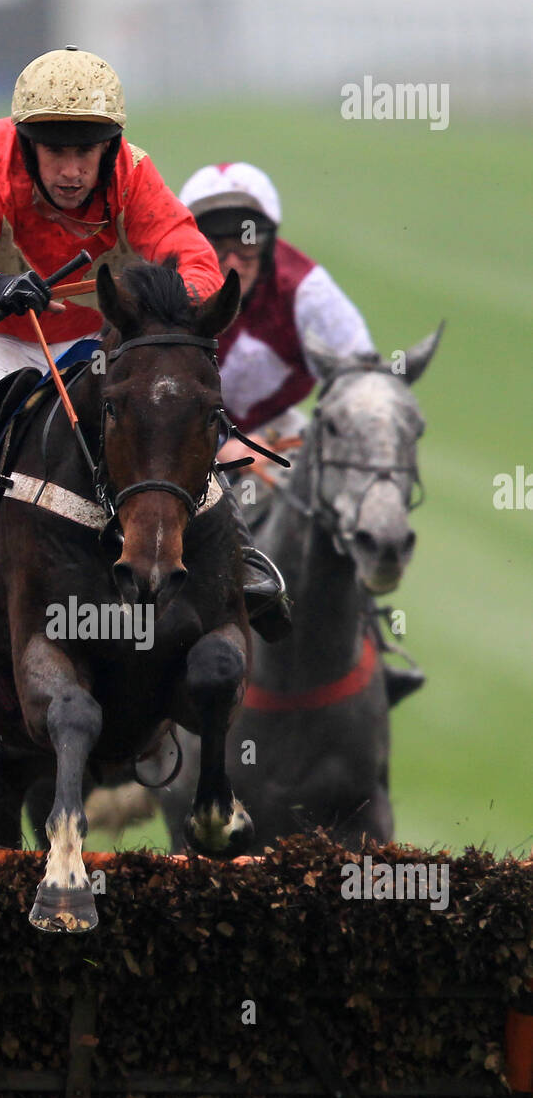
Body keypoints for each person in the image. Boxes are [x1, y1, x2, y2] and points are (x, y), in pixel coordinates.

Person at [0, 49, 289, 646]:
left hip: (104, 336)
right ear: (25, 146)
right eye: (55, 152)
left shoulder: (134, 174)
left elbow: (190, 255)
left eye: (85, 152)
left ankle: (242, 555)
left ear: (110, 148)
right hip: (6, 337)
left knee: (169, 423)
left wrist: (177, 310)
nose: (71, 171)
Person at [179, 161, 424, 704]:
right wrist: (213, 446)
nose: (232, 256)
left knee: (340, 505)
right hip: (175, 437)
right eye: (214, 241)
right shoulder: (168, 283)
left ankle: (375, 650)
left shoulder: (306, 287)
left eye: (248, 241)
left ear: (270, 240)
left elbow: (361, 376)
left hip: (274, 431)